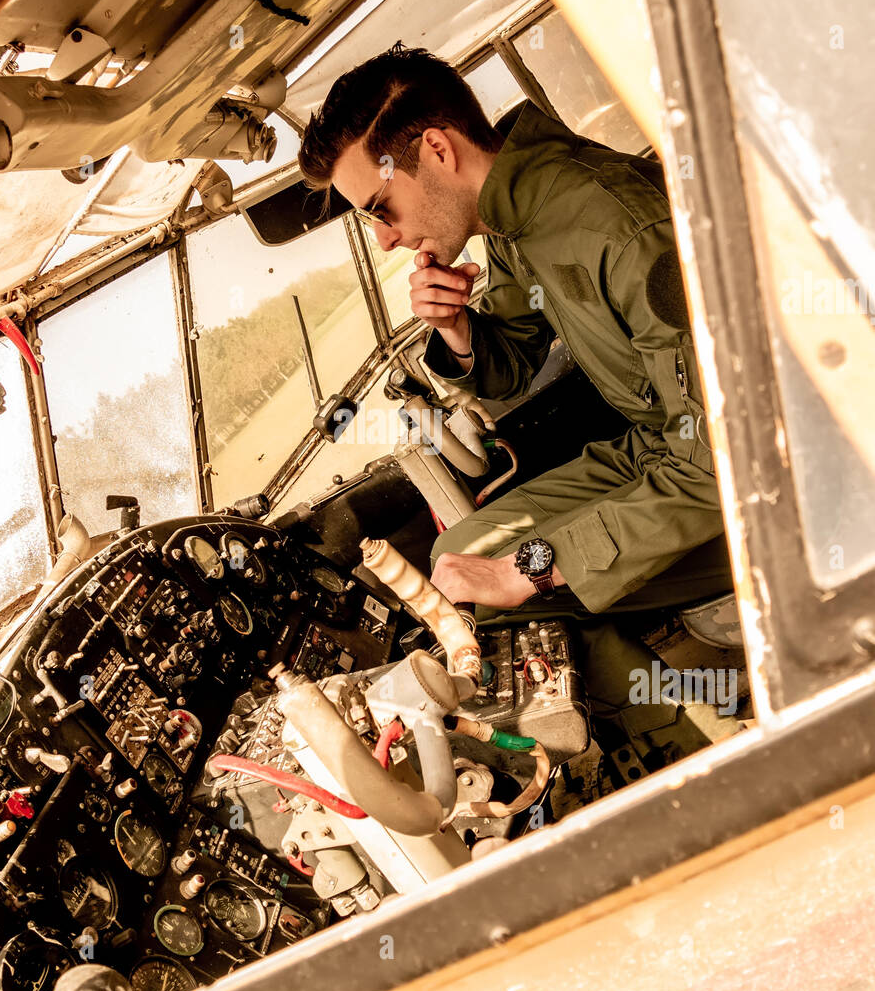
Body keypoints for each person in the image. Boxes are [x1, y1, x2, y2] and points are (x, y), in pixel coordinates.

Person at [298, 44, 733, 626]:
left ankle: (672, 715)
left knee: (494, 597)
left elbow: (724, 458)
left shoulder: (619, 226)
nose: (384, 237)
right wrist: (458, 329)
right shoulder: (510, 219)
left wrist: (528, 570)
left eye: (382, 208)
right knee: (456, 558)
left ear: (437, 149)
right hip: (657, 451)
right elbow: (512, 365)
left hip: (735, 478)